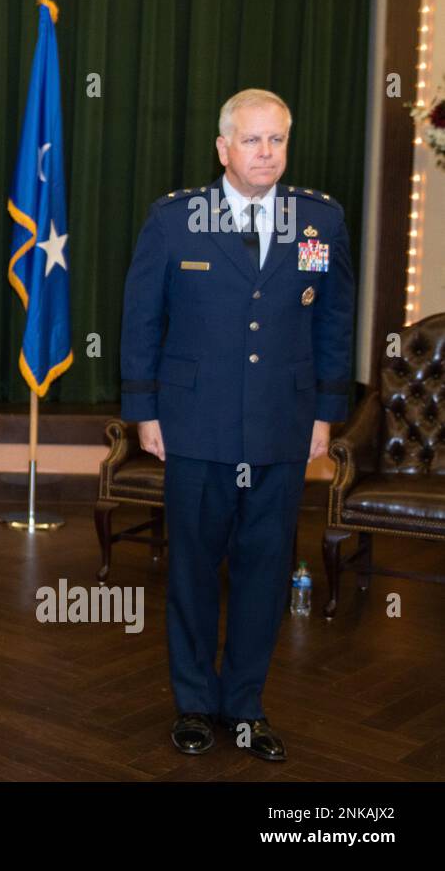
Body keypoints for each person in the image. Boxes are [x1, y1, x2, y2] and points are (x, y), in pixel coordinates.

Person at [120, 88, 354, 762]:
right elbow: (141, 321)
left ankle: (245, 706)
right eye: (252, 140)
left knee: (264, 571)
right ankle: (194, 703)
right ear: (224, 148)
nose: (266, 153)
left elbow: (334, 321)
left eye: (277, 140)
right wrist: (144, 412)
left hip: (283, 426)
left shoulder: (320, 221)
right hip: (195, 425)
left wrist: (325, 413)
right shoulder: (175, 220)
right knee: (192, 568)